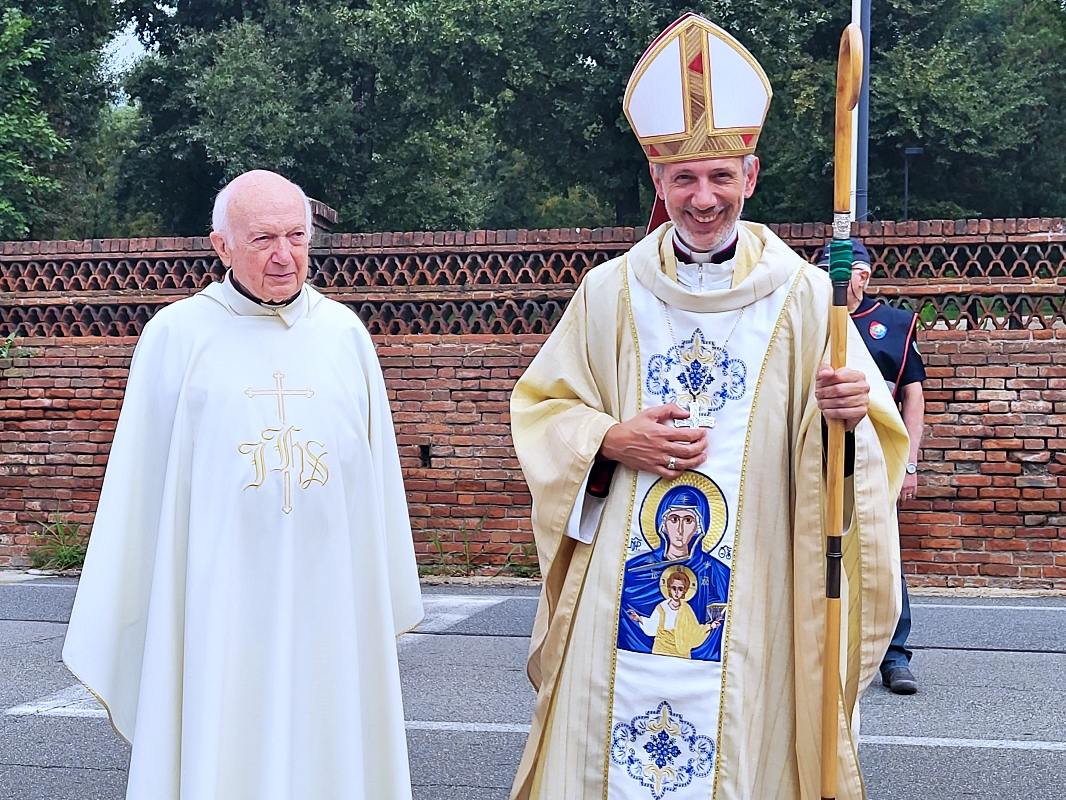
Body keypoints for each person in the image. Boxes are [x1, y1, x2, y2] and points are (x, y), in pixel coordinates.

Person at [509, 14, 909, 800]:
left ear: (750, 178)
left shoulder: (803, 297)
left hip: (751, 586)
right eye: (683, 180)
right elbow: (544, 411)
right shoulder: (609, 293)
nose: (702, 198)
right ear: (658, 183)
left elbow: (860, 455)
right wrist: (610, 438)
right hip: (622, 586)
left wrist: (848, 413)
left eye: (720, 177)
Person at [62, 169, 423, 800]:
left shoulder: (344, 337)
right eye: (262, 239)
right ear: (221, 247)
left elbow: (377, 482)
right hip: (216, 604)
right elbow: (142, 492)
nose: (284, 256)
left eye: (296, 237)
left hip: (329, 597)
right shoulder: (176, 337)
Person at [818, 238, 926, 694]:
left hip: (878, 456)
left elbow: (912, 395)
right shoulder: (812, 322)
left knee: (882, 551)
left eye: (849, 271)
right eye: (830, 271)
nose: (840, 279)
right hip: (819, 453)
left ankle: (894, 655)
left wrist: (911, 464)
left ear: (866, 274)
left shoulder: (893, 324)